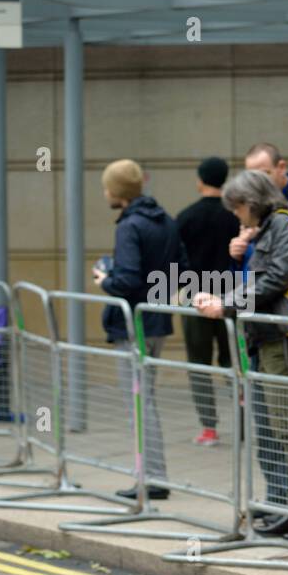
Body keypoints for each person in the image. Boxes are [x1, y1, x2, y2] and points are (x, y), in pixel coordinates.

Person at [192, 169, 288, 543]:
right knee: (276, 428)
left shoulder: (284, 225)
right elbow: (263, 281)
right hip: (268, 339)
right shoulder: (269, 228)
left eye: (237, 209)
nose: (236, 217)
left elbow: (275, 280)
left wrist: (226, 304)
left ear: (251, 204)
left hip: (283, 341)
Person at [94, 159, 182, 501]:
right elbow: (182, 269)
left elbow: (127, 279)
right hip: (156, 322)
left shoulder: (129, 226)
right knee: (145, 398)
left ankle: (152, 478)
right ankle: (152, 475)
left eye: (107, 187)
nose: (105, 193)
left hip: (135, 326)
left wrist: (106, 279)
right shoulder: (167, 222)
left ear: (118, 192)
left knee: (139, 402)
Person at [175, 156, 239, 447]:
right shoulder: (236, 216)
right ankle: (242, 424)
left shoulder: (186, 216)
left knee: (199, 364)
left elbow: (176, 258)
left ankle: (209, 428)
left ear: (200, 180)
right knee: (233, 360)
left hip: (195, 298)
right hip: (231, 297)